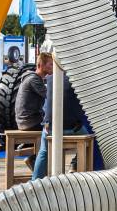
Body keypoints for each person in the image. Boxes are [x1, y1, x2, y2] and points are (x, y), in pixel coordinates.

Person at [29, 51, 90, 179]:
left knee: (44, 150)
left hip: (50, 128)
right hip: (72, 128)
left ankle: (35, 180)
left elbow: (47, 103)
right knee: (90, 141)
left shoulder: (50, 79)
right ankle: (76, 168)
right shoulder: (79, 81)